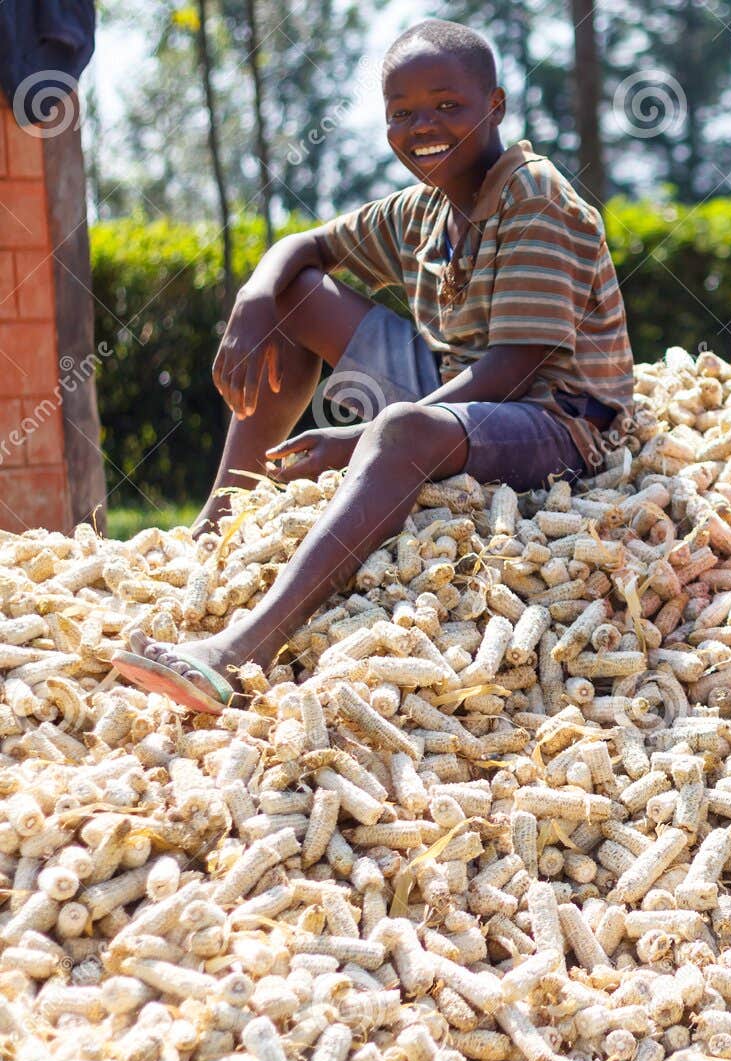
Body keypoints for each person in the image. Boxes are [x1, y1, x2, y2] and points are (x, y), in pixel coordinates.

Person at [111, 19, 632, 712]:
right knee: (297, 297)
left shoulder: (532, 197)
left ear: (496, 107)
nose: (425, 126)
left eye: (448, 106)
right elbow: (308, 245)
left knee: (401, 432)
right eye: (404, 113)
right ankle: (220, 517)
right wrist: (257, 297)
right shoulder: (424, 208)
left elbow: (513, 368)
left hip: (554, 421)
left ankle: (239, 651)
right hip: (452, 390)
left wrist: (355, 442)